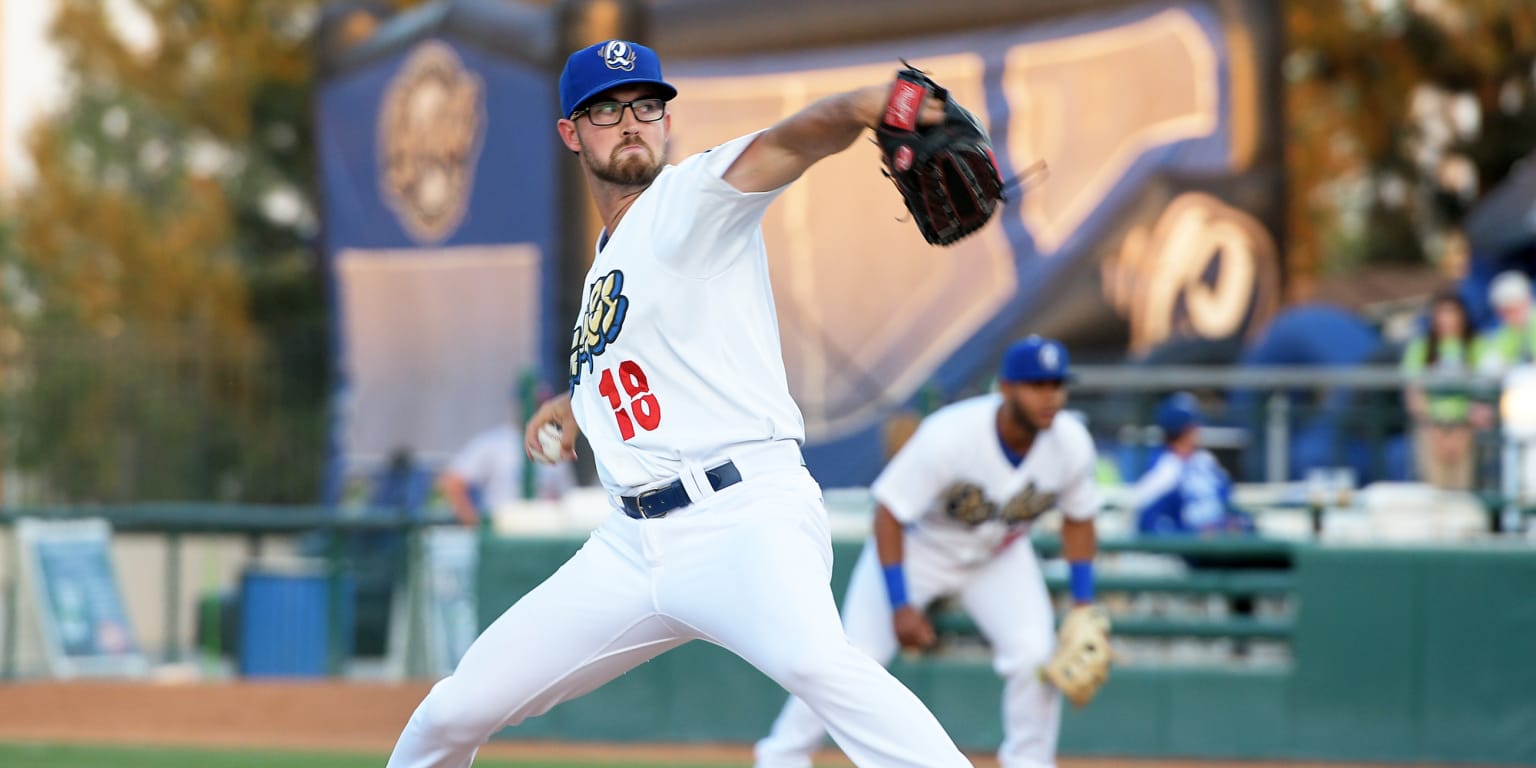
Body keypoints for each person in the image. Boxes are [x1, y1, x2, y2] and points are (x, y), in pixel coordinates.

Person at [386, 40, 973, 768]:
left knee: (822, 668)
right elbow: (642, 353)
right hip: (631, 547)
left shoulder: (693, 197)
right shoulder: (609, 258)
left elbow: (792, 141)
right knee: (453, 709)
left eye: (644, 105)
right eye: (605, 110)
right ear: (571, 133)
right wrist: (573, 404)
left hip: (743, 519)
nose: (630, 122)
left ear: (665, 121)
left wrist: (861, 106)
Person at [755, 335, 1103, 768]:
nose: (1051, 396)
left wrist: (1084, 604)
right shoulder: (952, 434)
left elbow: (1080, 518)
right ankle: (781, 756)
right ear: (1008, 388)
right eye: (1037, 385)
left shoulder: (1070, 442)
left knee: (1034, 655)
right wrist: (901, 603)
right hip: (921, 547)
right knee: (850, 659)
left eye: (1057, 384)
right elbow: (888, 514)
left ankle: (1030, 762)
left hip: (998, 555)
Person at [439, 401, 577, 527]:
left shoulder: (556, 444)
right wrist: (474, 524)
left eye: (540, 404)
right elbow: (451, 481)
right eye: (533, 403)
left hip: (543, 532)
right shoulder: (495, 442)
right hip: (502, 530)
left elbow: (567, 498)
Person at [1133, 392, 1254, 536]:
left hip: (1221, 540)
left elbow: (1227, 500)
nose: (1195, 431)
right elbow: (1149, 521)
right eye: (1191, 428)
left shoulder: (1205, 461)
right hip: (1192, 551)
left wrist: (1235, 522)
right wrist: (1192, 533)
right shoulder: (1164, 468)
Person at [1401, 289, 1484, 489]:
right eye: (1441, 313)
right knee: (1434, 492)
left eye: (1452, 312)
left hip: (1465, 431)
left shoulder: (1477, 347)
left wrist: (1464, 432)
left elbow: (1481, 395)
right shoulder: (1420, 348)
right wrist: (1434, 430)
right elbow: (1414, 393)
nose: (1447, 319)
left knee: (1463, 492)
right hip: (1431, 431)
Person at [1476, 270, 1536, 374]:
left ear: (1527, 301)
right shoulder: (1508, 331)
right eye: (1504, 311)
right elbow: (1490, 362)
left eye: (1513, 309)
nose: (1509, 316)